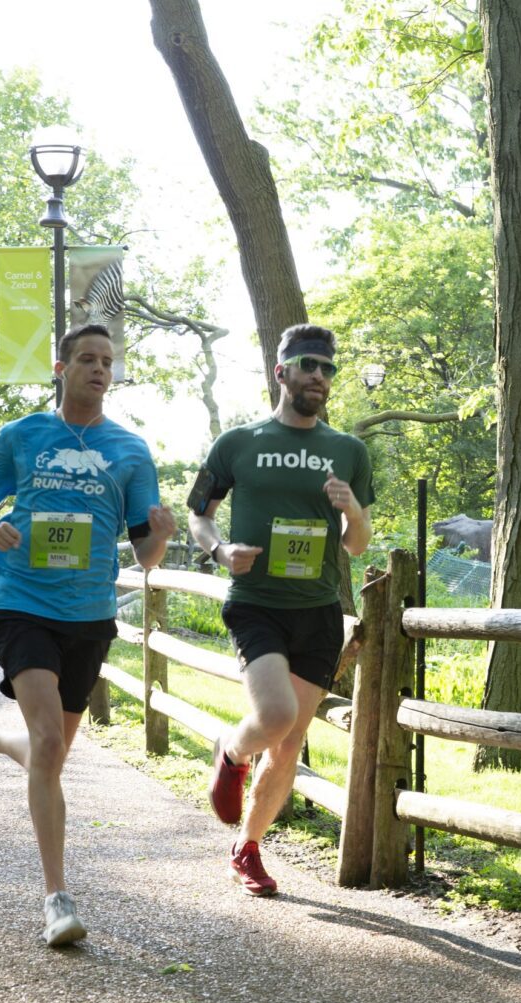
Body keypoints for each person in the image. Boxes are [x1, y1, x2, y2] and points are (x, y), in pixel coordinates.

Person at [0, 323, 175, 945]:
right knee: (50, 744)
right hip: (21, 600)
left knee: (50, 753)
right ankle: (57, 898)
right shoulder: (22, 435)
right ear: (61, 366)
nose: (99, 369)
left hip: (88, 612)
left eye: (108, 361)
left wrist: (159, 531)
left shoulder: (131, 450)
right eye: (87, 359)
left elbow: (147, 555)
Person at [187, 323, 374, 896]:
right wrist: (220, 550)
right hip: (257, 604)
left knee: (289, 744)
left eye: (327, 368)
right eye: (309, 365)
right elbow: (199, 512)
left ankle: (247, 848)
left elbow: (357, 544)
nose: (319, 376)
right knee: (275, 719)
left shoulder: (348, 451)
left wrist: (352, 509)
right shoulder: (239, 444)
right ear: (282, 372)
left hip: (317, 609)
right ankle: (231, 749)